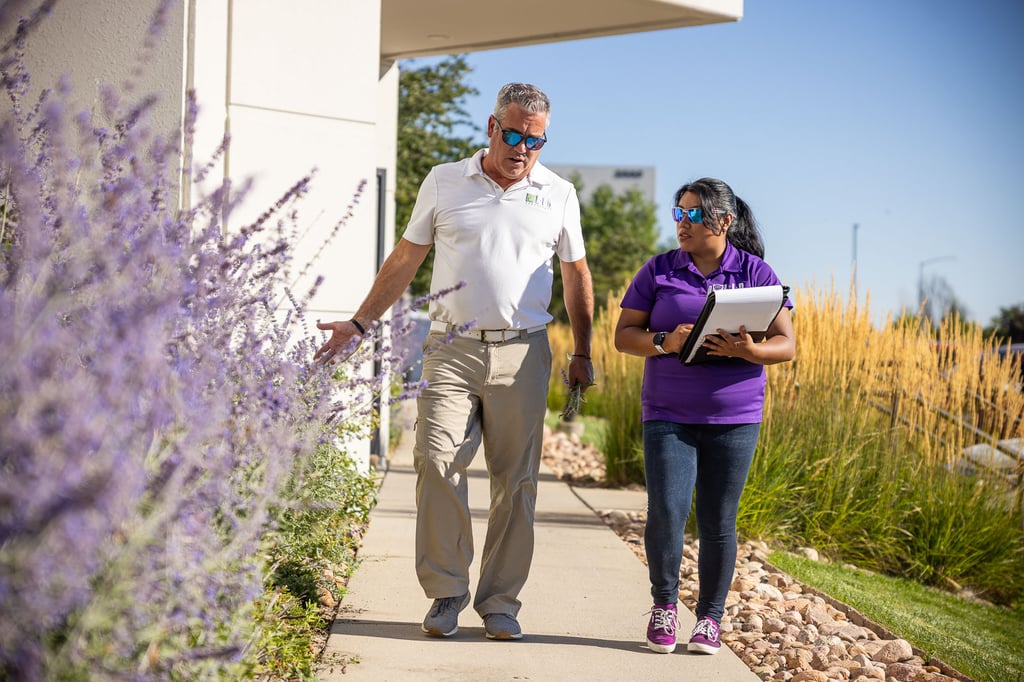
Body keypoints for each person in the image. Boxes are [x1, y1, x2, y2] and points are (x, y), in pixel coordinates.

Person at [314, 83, 594, 641]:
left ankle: (500, 603)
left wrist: (583, 351)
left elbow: (575, 275)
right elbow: (406, 258)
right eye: (513, 134)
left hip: (525, 350)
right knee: (435, 461)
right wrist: (361, 322)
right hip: (451, 346)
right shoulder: (444, 180)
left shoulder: (559, 193)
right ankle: (445, 592)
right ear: (492, 128)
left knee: (515, 483)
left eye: (535, 141)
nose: (522, 149)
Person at [613, 177, 795, 655]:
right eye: (679, 213)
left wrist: (750, 349)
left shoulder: (756, 272)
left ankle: (710, 619)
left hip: (735, 417)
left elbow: (787, 345)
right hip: (668, 412)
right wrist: (664, 341)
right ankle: (665, 607)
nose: (683, 224)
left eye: (693, 214)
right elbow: (624, 334)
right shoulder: (659, 270)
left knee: (718, 520)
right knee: (668, 512)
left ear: (723, 221)